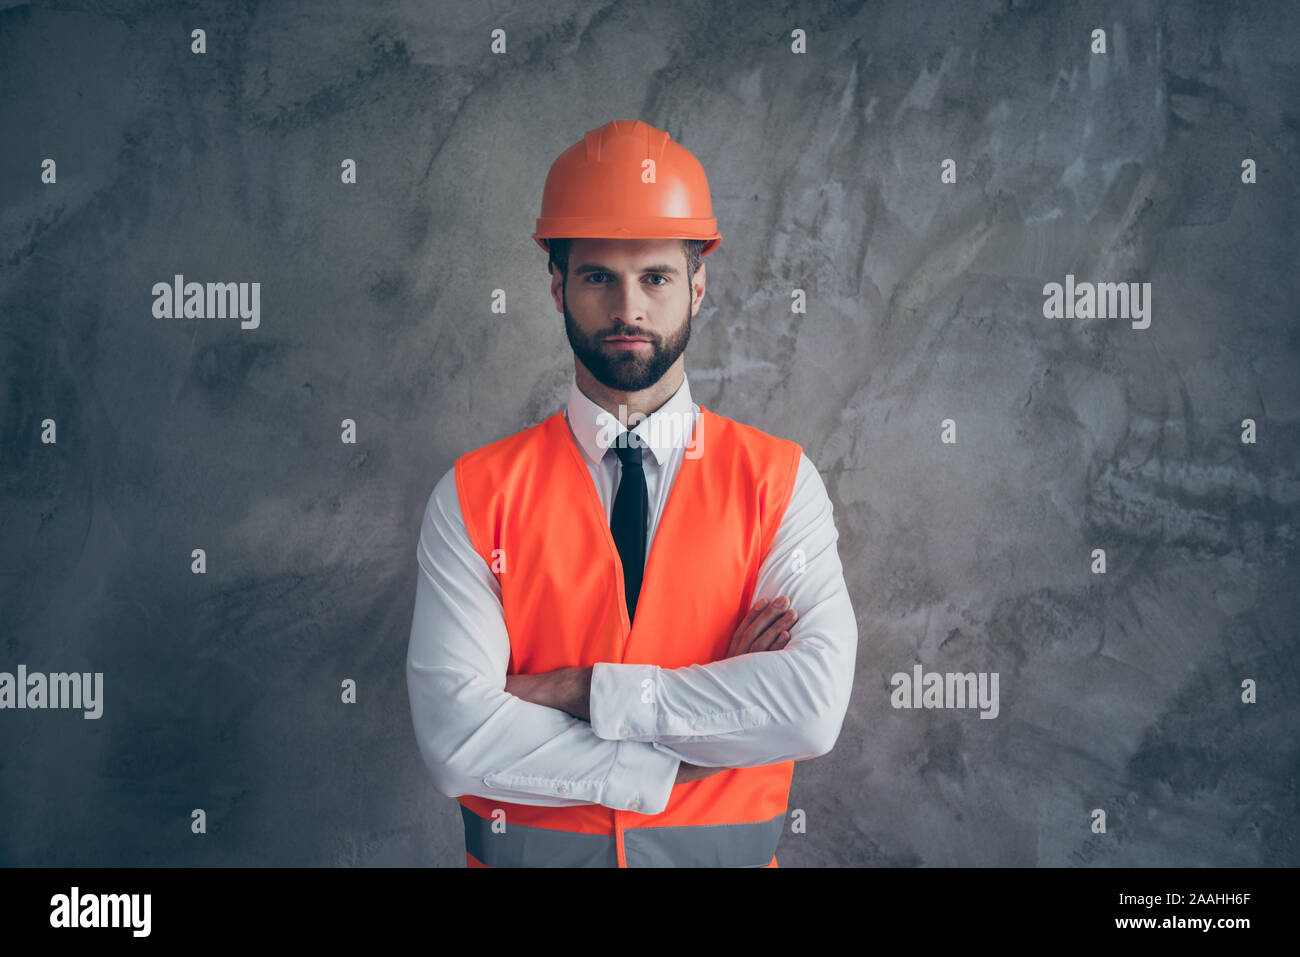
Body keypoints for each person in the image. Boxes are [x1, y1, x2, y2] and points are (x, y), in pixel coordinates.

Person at [406, 119, 858, 867]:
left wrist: (576, 689)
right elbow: (457, 740)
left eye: (655, 276)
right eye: (597, 277)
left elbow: (809, 709)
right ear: (557, 286)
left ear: (698, 284)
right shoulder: (473, 496)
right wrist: (690, 751)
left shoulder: (778, 484)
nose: (628, 309)